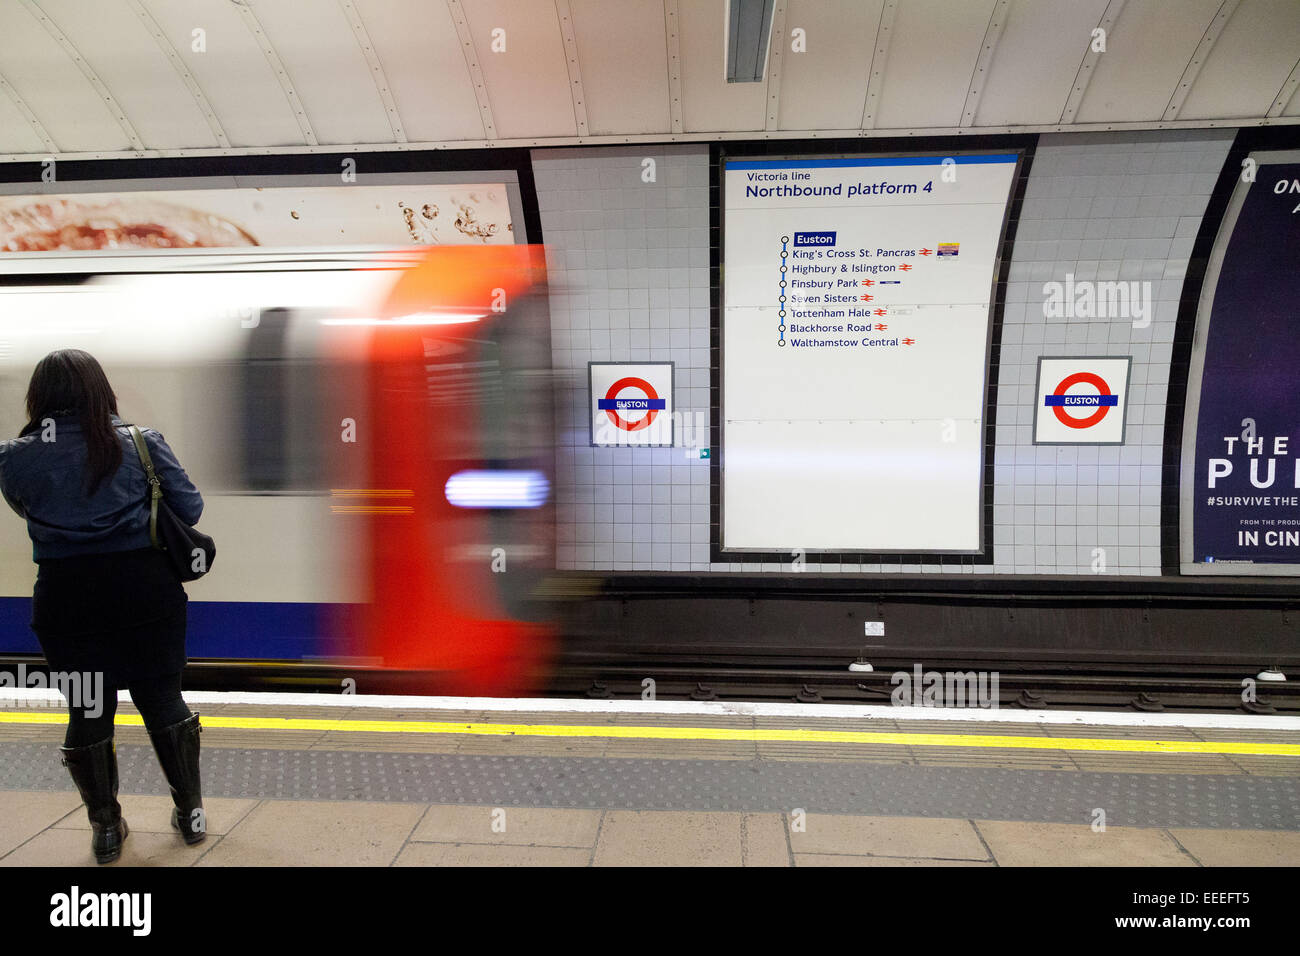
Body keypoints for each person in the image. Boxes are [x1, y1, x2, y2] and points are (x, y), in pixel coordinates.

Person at [0, 349, 207, 863]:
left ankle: (107, 829)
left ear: (39, 398)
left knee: (88, 707)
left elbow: (28, 507)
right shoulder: (140, 443)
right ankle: (190, 816)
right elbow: (191, 507)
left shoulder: (13, 456)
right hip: (145, 592)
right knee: (162, 698)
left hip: (68, 599)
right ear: (101, 390)